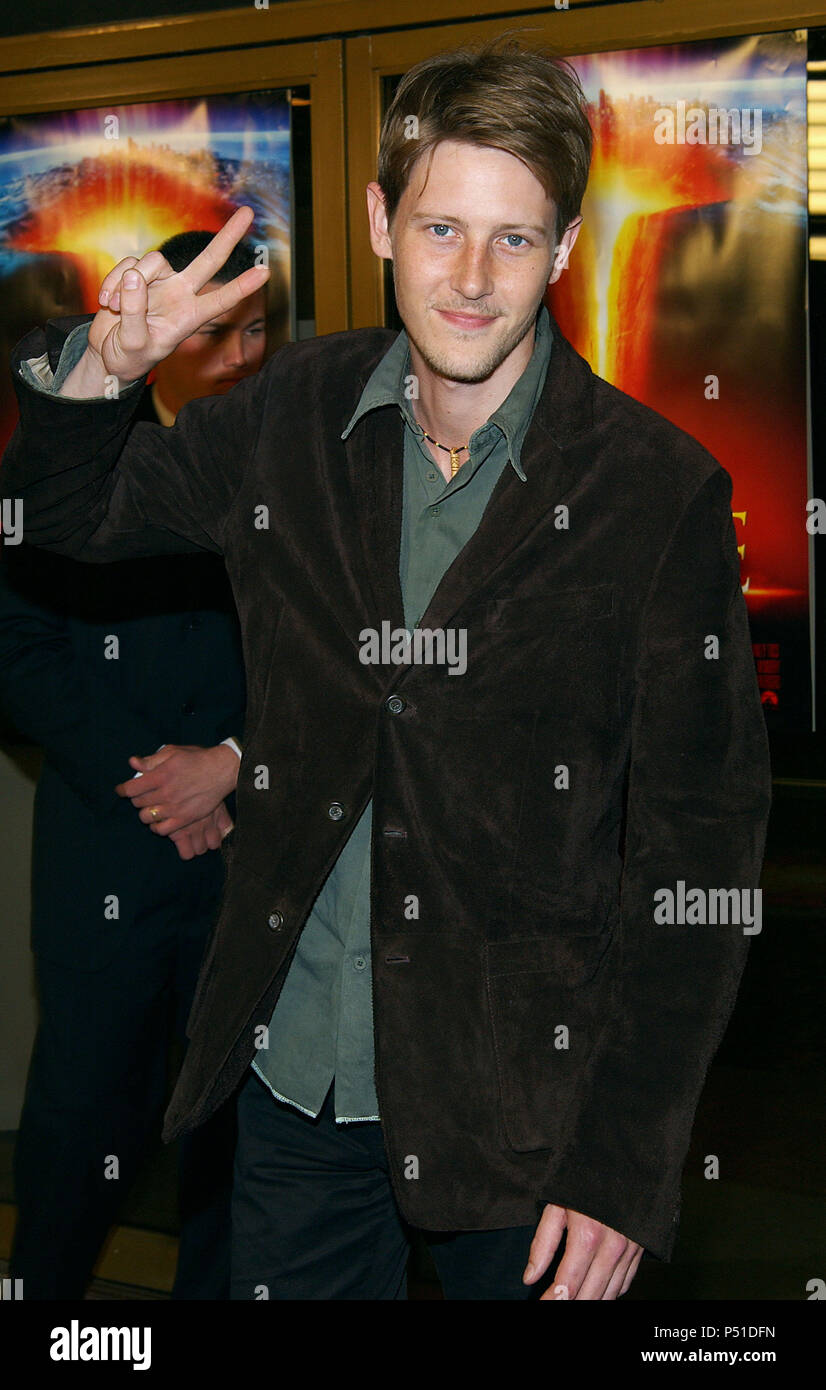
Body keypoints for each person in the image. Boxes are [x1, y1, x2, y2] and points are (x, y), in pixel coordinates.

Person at [0, 39, 771, 1301]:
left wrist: (626, 1159)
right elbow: (61, 523)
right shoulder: (284, 414)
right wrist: (106, 370)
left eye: (514, 240)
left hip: (523, 1118)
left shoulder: (654, 491)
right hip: (296, 1087)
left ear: (568, 250)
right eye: (440, 229)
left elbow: (701, 858)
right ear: (377, 220)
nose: (469, 280)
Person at [0, 231, 271, 1299]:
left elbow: (337, 663)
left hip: (249, 847)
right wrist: (161, 780)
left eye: (258, 329)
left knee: (234, 1116)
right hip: (106, 842)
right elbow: (17, 653)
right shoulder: (70, 466)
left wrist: (233, 767)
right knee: (83, 1106)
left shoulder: (290, 480)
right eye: (219, 331)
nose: (243, 354)